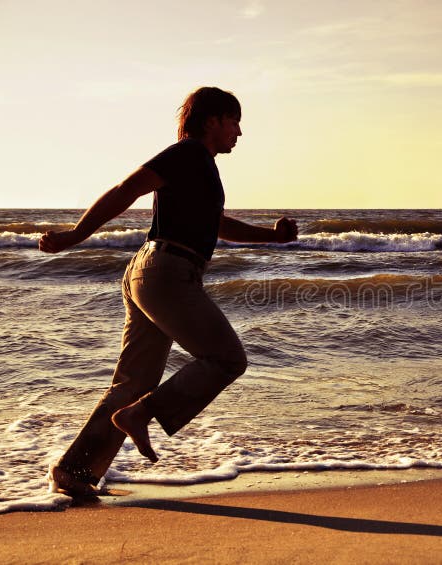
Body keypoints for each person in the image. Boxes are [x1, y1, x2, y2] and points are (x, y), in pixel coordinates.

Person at [38, 86, 297, 496]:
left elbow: (218, 226)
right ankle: (143, 414)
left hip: (153, 271)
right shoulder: (188, 153)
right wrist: (76, 235)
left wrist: (273, 238)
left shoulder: (200, 167)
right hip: (167, 270)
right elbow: (128, 188)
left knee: (132, 383)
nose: (239, 133)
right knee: (227, 358)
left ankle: (76, 470)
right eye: (234, 121)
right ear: (212, 121)